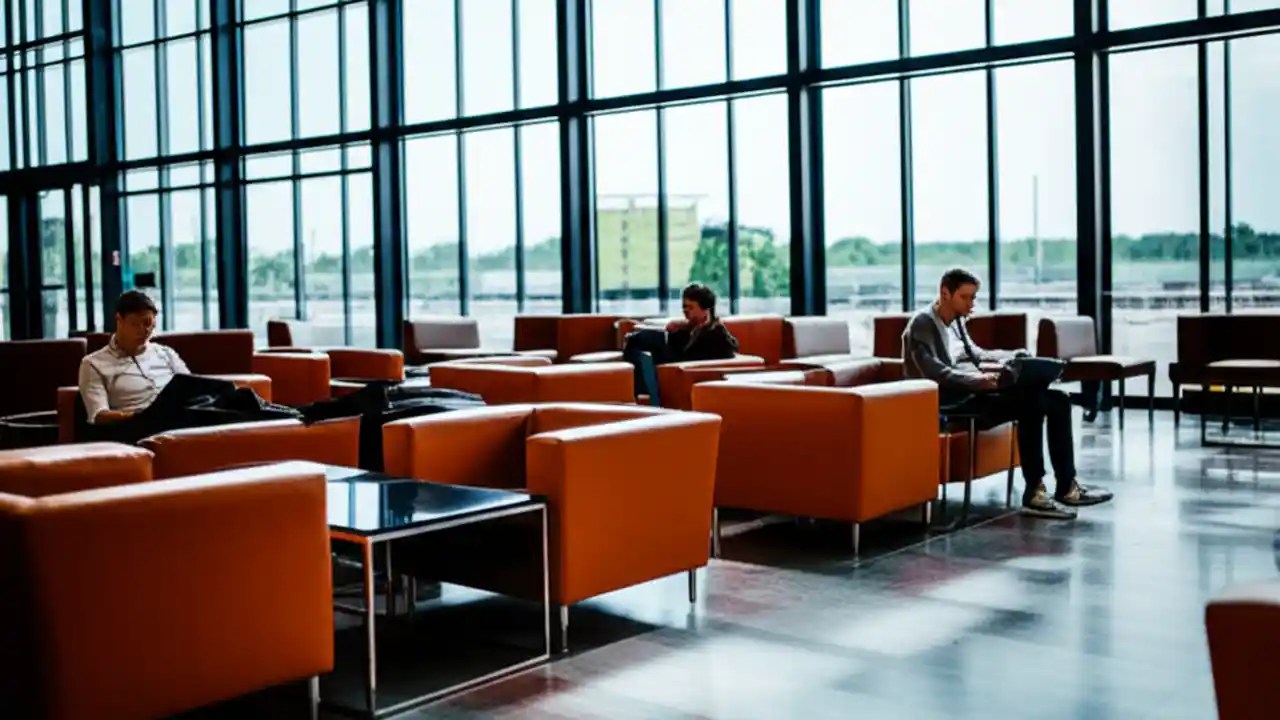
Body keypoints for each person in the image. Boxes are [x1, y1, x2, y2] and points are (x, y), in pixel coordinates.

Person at [901, 268, 1112, 520]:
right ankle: (1035, 491)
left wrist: (1012, 355)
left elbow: (976, 354)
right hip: (952, 402)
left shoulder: (955, 322)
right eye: (966, 297)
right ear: (945, 293)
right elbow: (936, 373)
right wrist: (978, 381)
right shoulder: (923, 324)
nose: (971, 304)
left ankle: (1066, 485)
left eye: (973, 298)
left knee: (1058, 400)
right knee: (1031, 402)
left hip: (971, 394)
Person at [79, 290, 192, 427]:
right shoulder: (93, 364)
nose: (143, 330)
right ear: (119, 320)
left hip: (180, 423)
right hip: (135, 428)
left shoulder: (166, 354)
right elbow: (99, 415)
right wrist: (140, 417)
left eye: (148, 323)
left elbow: (191, 390)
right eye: (135, 324)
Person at [622, 283, 739, 396]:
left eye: (691, 307)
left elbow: (728, 348)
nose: (685, 311)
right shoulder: (690, 328)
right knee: (637, 342)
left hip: (686, 367)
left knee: (643, 341)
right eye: (684, 307)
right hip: (677, 363)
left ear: (706, 310)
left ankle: (639, 393)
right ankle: (638, 392)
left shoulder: (716, 334)